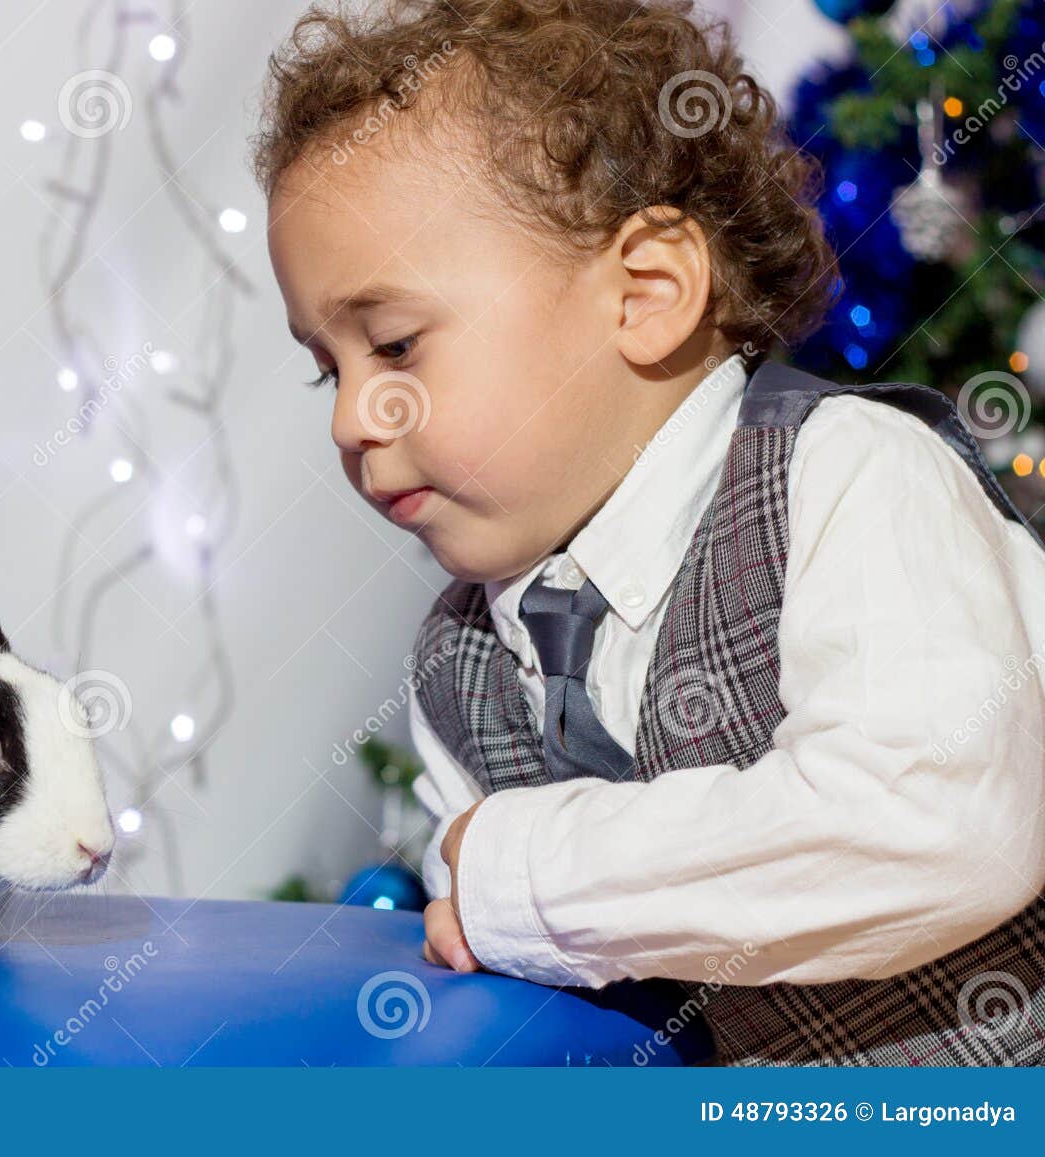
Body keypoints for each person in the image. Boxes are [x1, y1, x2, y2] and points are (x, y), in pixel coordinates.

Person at [255, 0, 1045, 1064]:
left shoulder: (849, 474)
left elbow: (934, 817)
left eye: (393, 343)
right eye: (329, 367)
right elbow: (478, 923)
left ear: (647, 294)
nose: (353, 417)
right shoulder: (458, 664)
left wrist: (520, 874)